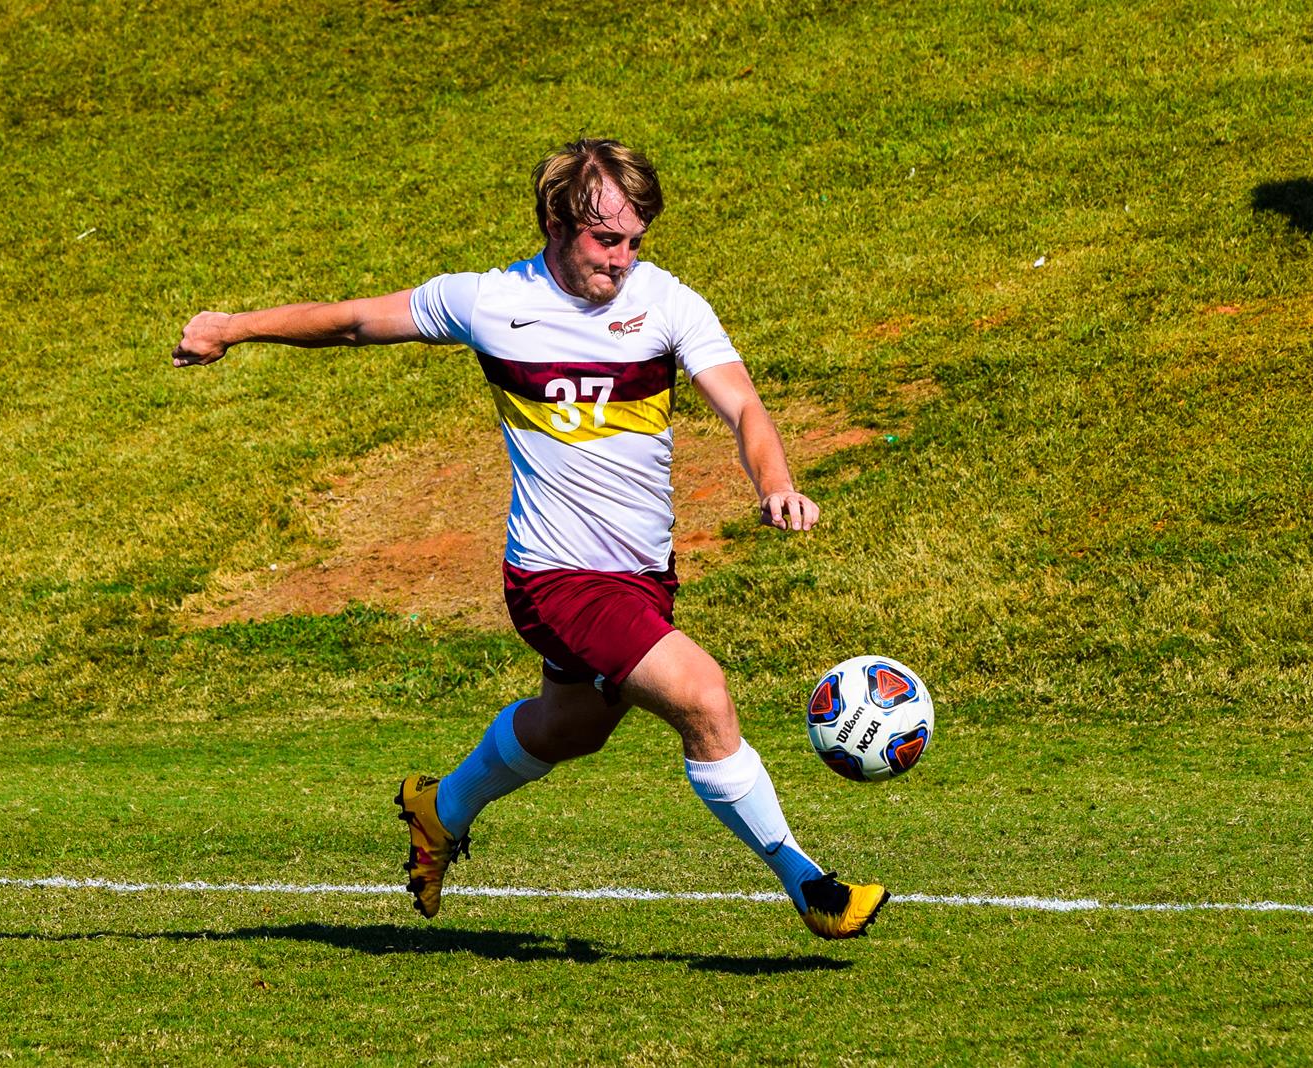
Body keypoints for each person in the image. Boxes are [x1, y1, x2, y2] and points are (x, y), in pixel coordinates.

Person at [171, 138, 888, 939]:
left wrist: (775, 483)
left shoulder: (667, 302)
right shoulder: (489, 301)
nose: (621, 261)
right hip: (555, 578)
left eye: (634, 241)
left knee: (570, 728)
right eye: (606, 239)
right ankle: (811, 888)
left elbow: (744, 406)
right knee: (703, 696)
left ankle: (439, 809)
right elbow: (353, 323)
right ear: (555, 222)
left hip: (642, 574)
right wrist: (232, 327)